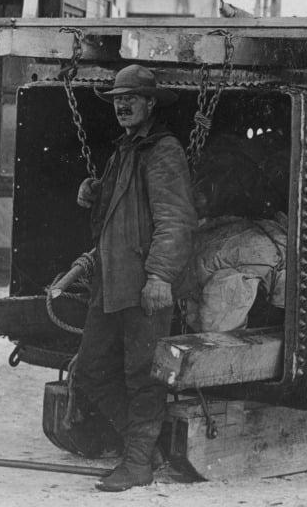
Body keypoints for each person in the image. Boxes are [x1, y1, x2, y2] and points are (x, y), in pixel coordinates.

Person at [65, 64, 197, 492]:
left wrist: (160, 276)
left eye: (132, 98)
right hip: (112, 282)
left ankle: (138, 463)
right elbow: (123, 206)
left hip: (143, 285)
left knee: (142, 375)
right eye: (118, 99)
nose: (122, 104)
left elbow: (175, 220)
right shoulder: (126, 149)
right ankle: (145, 449)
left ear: (151, 104)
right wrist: (93, 191)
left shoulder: (163, 151)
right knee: (91, 369)